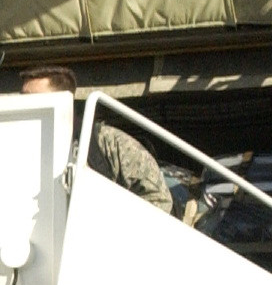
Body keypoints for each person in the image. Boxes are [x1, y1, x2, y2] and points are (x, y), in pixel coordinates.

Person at [22, 67, 175, 214]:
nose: (23, 107)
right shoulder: (20, 147)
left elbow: (159, 199)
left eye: (34, 99)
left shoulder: (106, 143)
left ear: (63, 100)